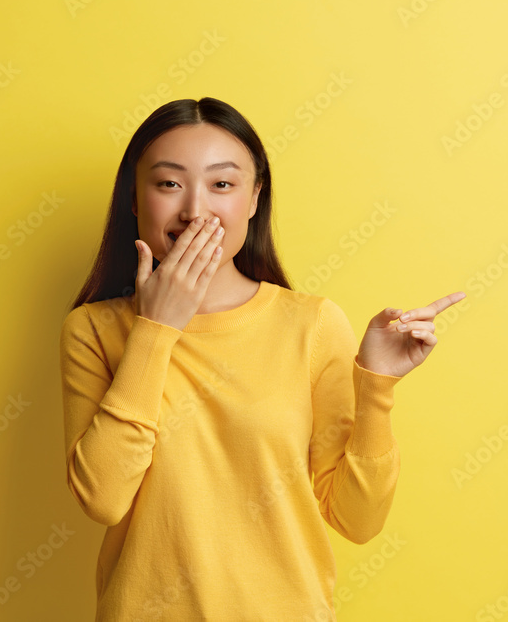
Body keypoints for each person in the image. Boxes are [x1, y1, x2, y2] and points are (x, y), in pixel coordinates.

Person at [60, 96, 465, 620]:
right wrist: (155, 330)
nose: (195, 211)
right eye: (169, 184)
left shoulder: (313, 324)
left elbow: (357, 520)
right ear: (135, 199)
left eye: (222, 185)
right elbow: (103, 498)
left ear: (254, 199)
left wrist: (377, 387)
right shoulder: (92, 330)